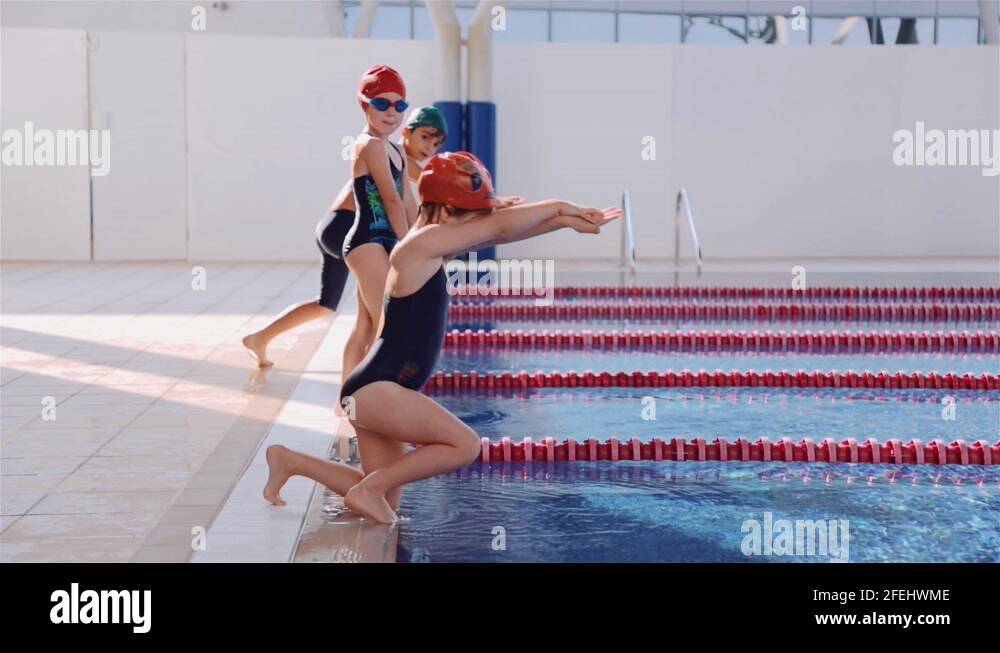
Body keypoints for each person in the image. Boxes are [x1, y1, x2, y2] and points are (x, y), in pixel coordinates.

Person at [263, 151, 621, 523]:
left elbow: (505, 229)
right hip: (377, 390)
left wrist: (564, 221)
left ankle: (290, 461)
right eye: (466, 217)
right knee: (465, 445)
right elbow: (497, 229)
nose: (470, 227)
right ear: (444, 210)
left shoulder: (431, 245)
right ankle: (368, 488)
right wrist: (562, 206)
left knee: (385, 495)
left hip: (370, 391)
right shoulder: (417, 247)